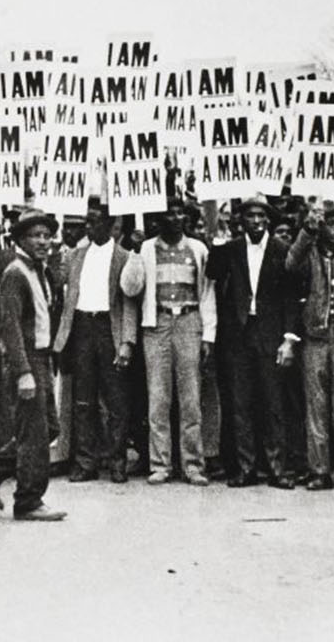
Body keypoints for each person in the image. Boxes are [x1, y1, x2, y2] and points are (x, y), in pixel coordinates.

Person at [0, 209, 66, 521]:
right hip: (25, 359)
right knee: (35, 432)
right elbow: (10, 325)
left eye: (47, 235)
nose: (43, 241)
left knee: (48, 428)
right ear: (21, 240)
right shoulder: (15, 273)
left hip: (40, 356)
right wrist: (23, 372)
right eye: (35, 236)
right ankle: (28, 500)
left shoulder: (40, 270)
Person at [120, 205, 215, 486]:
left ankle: (193, 465)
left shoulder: (198, 249)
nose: (175, 219)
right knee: (158, 398)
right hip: (157, 324)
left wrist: (208, 335)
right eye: (169, 214)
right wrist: (134, 252)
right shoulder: (146, 248)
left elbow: (207, 293)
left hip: (189, 320)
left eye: (179, 213)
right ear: (159, 219)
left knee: (190, 399)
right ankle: (160, 464)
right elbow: (130, 288)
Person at [208, 195, 299, 489]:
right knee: (241, 403)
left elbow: (290, 297)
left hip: (271, 334)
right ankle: (245, 468)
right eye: (250, 216)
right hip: (239, 334)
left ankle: (276, 469)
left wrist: (288, 339)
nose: (257, 221)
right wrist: (218, 241)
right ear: (242, 221)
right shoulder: (232, 249)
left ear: (268, 220)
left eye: (261, 216)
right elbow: (213, 273)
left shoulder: (282, 250)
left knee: (273, 403)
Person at [283, 201, 334, 492]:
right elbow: (290, 264)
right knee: (315, 407)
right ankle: (318, 470)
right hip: (314, 338)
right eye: (331, 224)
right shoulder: (308, 255)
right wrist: (307, 231)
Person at [52, 198, 136, 484]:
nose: (88, 227)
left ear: (110, 224)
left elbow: (129, 303)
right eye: (87, 221)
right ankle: (85, 462)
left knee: (116, 400)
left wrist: (127, 342)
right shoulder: (76, 255)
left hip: (108, 328)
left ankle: (117, 461)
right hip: (81, 327)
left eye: (94, 221)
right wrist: (55, 254)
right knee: (83, 399)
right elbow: (57, 282)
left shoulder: (124, 257)